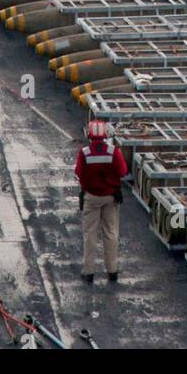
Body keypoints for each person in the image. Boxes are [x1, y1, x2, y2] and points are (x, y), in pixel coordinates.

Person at [74, 119, 128, 283]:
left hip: (91, 197)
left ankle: (88, 271)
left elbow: (79, 173)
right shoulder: (114, 152)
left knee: (90, 234)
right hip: (110, 197)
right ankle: (112, 271)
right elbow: (123, 171)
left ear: (89, 134)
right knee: (110, 233)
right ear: (105, 134)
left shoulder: (84, 153)